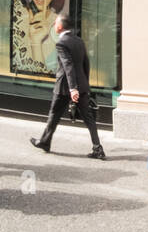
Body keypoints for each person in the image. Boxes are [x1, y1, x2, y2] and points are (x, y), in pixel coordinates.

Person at [30, 14, 104, 159]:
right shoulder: (79, 41)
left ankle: (45, 142)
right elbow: (85, 64)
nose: (54, 25)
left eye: (55, 22)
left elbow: (68, 66)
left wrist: (73, 88)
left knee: (54, 114)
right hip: (80, 85)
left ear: (60, 26)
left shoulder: (61, 43)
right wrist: (83, 85)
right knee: (88, 118)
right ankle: (98, 148)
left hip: (65, 87)